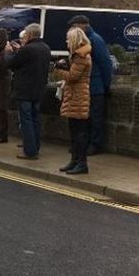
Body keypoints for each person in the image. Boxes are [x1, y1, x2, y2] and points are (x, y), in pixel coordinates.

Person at [68, 15, 114, 155]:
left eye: (75, 26)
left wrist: (106, 86)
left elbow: (106, 64)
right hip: (85, 86)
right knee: (84, 118)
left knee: (95, 117)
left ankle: (95, 144)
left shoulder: (95, 40)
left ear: (84, 25)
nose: (73, 29)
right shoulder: (81, 41)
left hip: (95, 86)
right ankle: (83, 144)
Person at [6, 23, 52, 160]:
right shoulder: (45, 48)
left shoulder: (28, 49)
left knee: (26, 120)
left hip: (25, 90)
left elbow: (11, 64)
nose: (24, 36)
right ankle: (35, 146)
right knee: (35, 119)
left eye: (25, 34)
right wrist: (20, 50)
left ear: (30, 35)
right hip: (38, 89)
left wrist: (9, 52)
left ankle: (30, 151)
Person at [54, 27, 93, 174]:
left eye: (68, 39)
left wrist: (59, 70)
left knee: (80, 132)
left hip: (78, 96)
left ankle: (81, 163)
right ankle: (74, 161)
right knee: (74, 131)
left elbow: (73, 77)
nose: (66, 41)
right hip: (76, 95)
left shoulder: (81, 56)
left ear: (74, 40)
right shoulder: (78, 56)